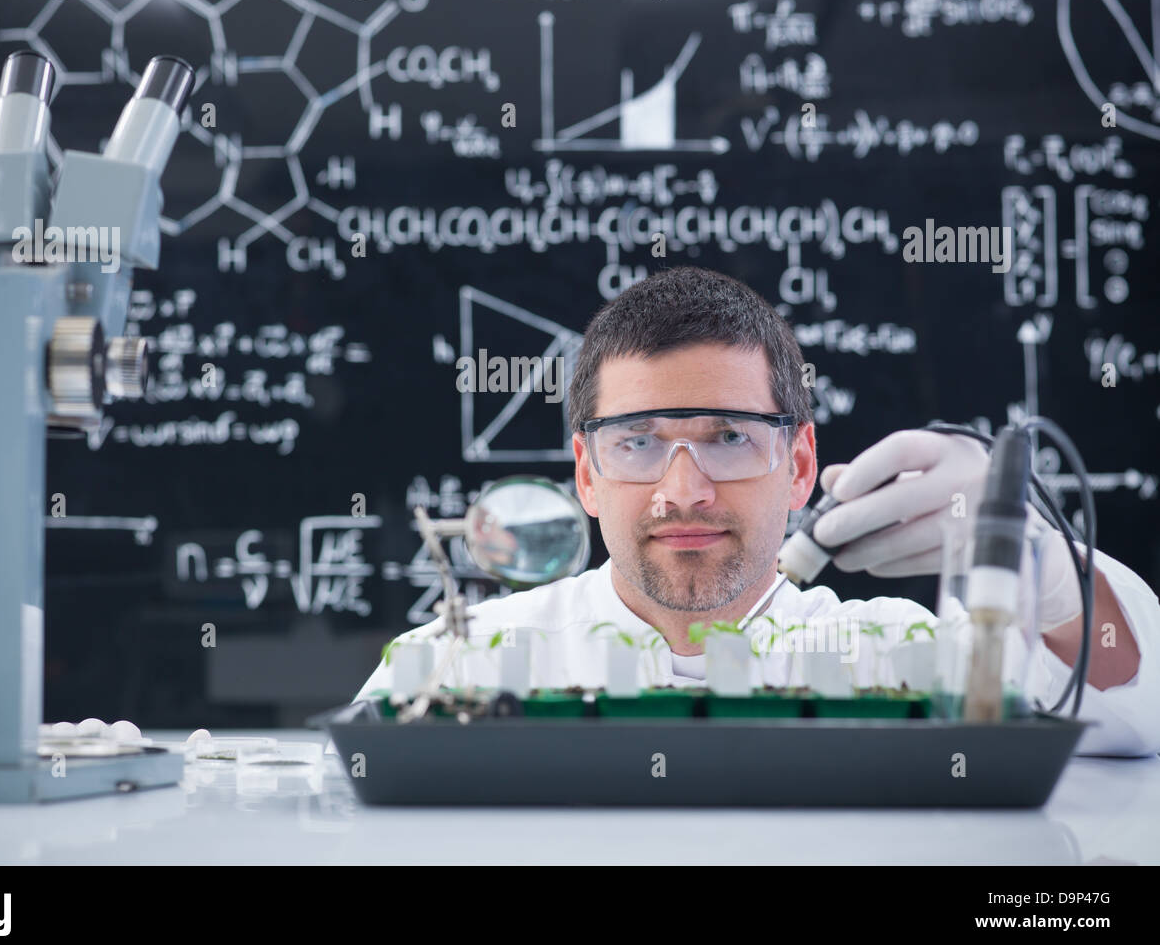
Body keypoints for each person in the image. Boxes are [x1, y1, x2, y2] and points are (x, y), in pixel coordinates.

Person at [354, 267, 1159, 755]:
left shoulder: (912, 658)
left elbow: (1138, 711)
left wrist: (1051, 576)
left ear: (800, 462)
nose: (684, 490)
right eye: (637, 442)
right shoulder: (459, 665)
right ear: (587, 474)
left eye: (730, 437)